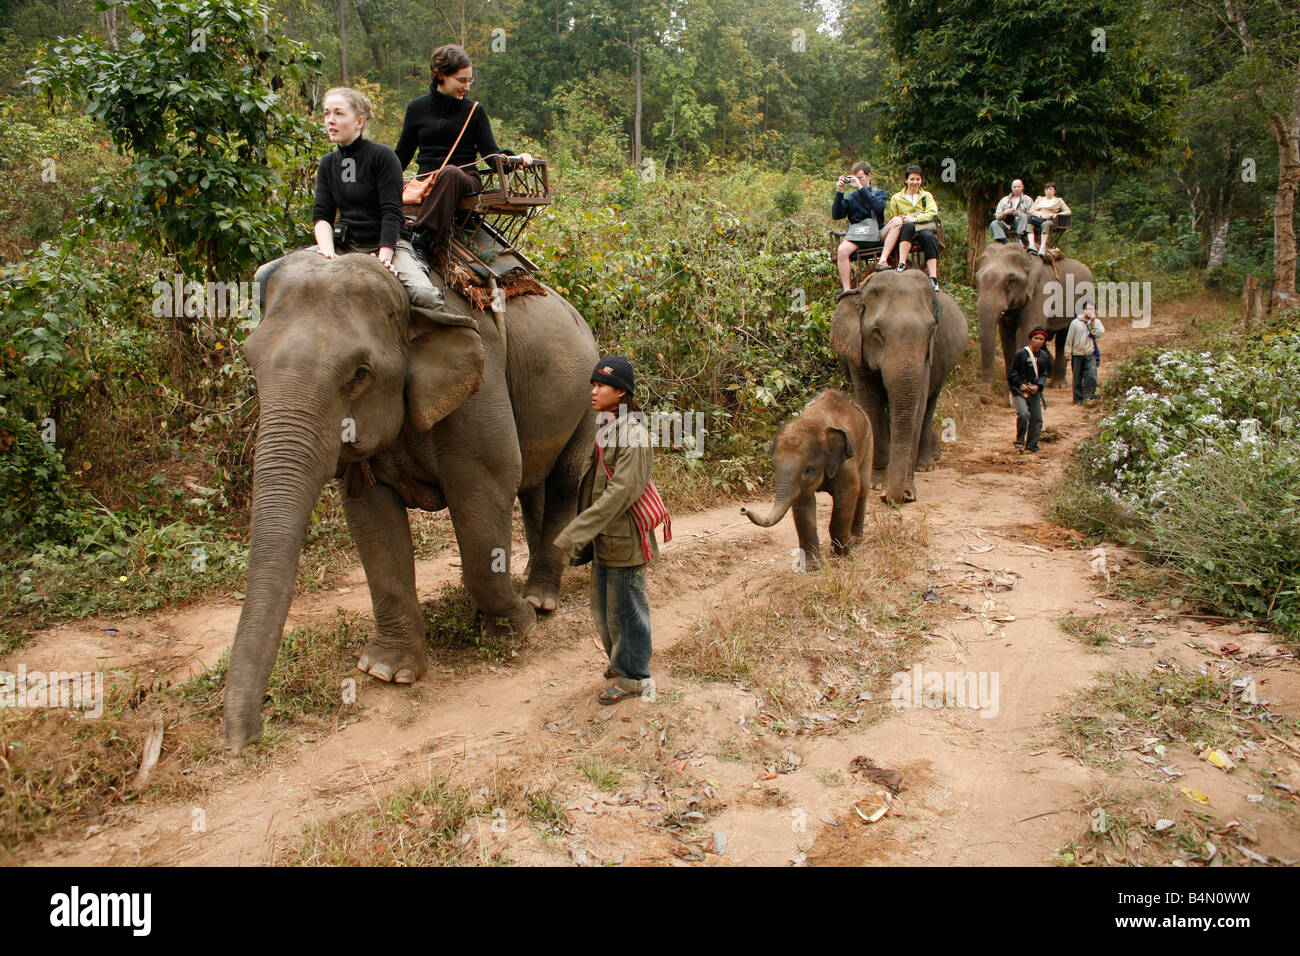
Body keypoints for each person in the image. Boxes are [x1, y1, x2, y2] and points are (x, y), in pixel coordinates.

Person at [553, 356, 659, 706]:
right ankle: (620, 663)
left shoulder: (635, 434)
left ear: (621, 391)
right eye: (592, 384)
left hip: (625, 540)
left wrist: (574, 531)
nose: (593, 391)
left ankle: (634, 678)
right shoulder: (608, 428)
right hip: (604, 540)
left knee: (626, 611)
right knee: (603, 610)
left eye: (601, 385)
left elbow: (621, 492)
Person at [311, 87, 444, 311]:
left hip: (386, 243)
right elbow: (322, 215)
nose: (330, 120)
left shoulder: (382, 156)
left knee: (426, 296)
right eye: (326, 113)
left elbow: (392, 212)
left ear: (359, 122)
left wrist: (383, 258)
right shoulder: (328, 163)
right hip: (345, 244)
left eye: (339, 113)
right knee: (267, 273)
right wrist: (327, 251)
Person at [394, 43, 533, 251]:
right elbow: (401, 157)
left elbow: (489, 154)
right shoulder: (416, 108)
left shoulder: (475, 111)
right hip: (426, 183)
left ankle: (424, 240)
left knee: (451, 173)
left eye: (469, 81)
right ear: (441, 75)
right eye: (461, 80)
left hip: (465, 180)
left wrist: (514, 159)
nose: (466, 87)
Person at [876, 164, 941, 291]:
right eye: (912, 179)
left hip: (922, 229)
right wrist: (906, 219)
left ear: (921, 180)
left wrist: (916, 218)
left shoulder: (926, 196)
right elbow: (894, 218)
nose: (915, 182)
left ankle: (933, 277)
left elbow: (932, 213)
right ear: (906, 180)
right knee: (908, 226)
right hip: (905, 232)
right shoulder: (896, 198)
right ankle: (902, 263)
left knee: (929, 237)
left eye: (918, 179)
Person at [832, 161, 889, 292]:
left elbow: (878, 208)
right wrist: (839, 192)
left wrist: (861, 189)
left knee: (896, 222)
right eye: (854, 178)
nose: (857, 181)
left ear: (869, 176)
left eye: (860, 178)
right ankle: (847, 290)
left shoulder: (879, 193)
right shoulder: (850, 198)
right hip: (858, 236)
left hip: (877, 233)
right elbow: (837, 215)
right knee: (842, 250)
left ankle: (884, 261)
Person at [1008, 327, 1050, 452]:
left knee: (1037, 419)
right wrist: (1020, 384)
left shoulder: (1043, 356)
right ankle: (1020, 440)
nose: (1038, 341)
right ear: (1031, 339)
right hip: (1020, 391)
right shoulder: (1020, 354)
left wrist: (1038, 386)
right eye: (1036, 338)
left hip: (1034, 391)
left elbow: (1043, 374)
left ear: (1044, 341)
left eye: (1041, 339)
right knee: (1023, 414)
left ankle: (1032, 445)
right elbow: (1012, 373)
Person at [1065, 299, 1105, 405]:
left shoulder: (1096, 322)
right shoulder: (1075, 323)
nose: (1089, 311)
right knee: (1077, 377)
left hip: (1090, 353)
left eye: (1091, 309)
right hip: (1076, 354)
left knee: (1091, 375)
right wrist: (1067, 352)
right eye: (1087, 309)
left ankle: (1088, 396)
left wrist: (1092, 322)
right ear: (1083, 310)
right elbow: (1070, 338)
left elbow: (1100, 333)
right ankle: (1077, 399)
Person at [1026, 183, 1071, 258]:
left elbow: (1068, 211)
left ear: (1054, 191)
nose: (1048, 191)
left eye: (1050, 189)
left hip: (1050, 220)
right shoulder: (1039, 199)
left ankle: (1042, 247)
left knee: (1045, 224)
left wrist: (1057, 214)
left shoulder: (1058, 200)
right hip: (1038, 218)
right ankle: (1032, 244)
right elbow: (1031, 211)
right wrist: (1040, 214)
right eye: (1046, 189)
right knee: (1030, 224)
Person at [990, 179, 1032, 244]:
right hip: (1007, 223)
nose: (1017, 188)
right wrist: (1004, 213)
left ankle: (1020, 238)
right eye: (1015, 187)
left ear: (1022, 187)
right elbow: (997, 216)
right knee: (994, 223)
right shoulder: (1004, 200)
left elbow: (1032, 215)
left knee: (1024, 216)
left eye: (1018, 186)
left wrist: (1019, 214)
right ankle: (1005, 242)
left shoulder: (1028, 200)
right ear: (1012, 188)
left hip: (1020, 224)